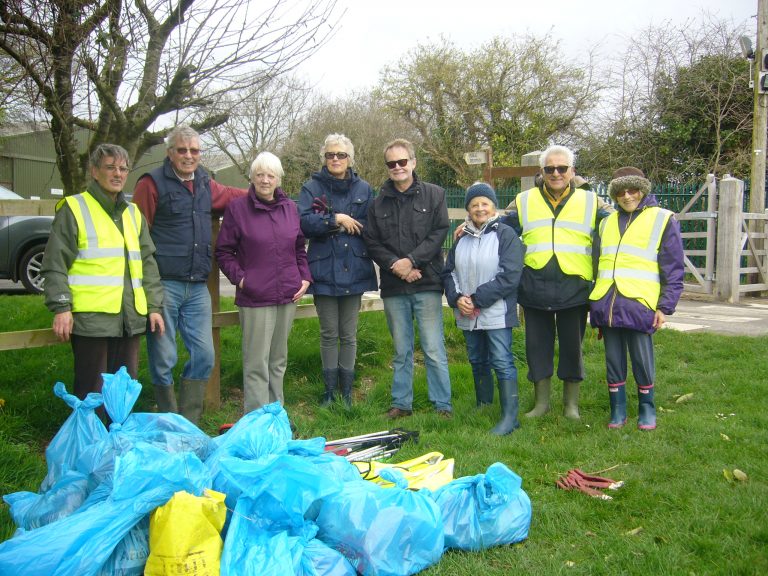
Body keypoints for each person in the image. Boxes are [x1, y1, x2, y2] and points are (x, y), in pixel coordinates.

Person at [133, 125, 246, 424]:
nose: (188, 156)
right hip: (164, 284)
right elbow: (137, 235)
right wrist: (147, 287)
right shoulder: (151, 183)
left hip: (197, 287)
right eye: (182, 150)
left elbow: (235, 196)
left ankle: (189, 424)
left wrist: (267, 192)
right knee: (164, 357)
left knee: (204, 355)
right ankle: (169, 422)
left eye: (194, 150)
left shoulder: (206, 183)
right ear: (170, 153)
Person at [41, 143, 165, 413]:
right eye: (110, 167)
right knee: (92, 394)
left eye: (123, 168)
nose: (118, 173)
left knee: (123, 393)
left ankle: (117, 448)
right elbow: (54, 264)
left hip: (129, 319)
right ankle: (91, 451)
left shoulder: (133, 214)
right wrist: (61, 307)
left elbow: (147, 264)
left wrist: (154, 307)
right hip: (91, 321)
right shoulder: (74, 209)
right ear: (94, 171)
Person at [504, 145, 611, 420]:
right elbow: (499, 227)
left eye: (562, 168)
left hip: (574, 287)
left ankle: (570, 406)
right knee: (536, 347)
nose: (556, 173)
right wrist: (470, 225)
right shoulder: (523, 200)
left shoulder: (592, 201)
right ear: (542, 171)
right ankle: (541, 404)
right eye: (550, 168)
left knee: (572, 348)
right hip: (534, 285)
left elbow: (622, 221)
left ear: (572, 171)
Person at [215, 152, 311, 414]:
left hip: (288, 295)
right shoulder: (237, 209)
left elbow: (299, 247)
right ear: (252, 178)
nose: (265, 180)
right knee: (257, 363)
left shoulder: (290, 209)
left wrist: (304, 277)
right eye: (260, 175)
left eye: (270, 175)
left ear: (279, 179)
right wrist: (243, 280)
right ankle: (256, 419)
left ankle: (276, 415)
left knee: (278, 360)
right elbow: (224, 252)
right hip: (256, 297)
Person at [363, 138, 452, 419]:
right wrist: (395, 266)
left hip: (426, 282)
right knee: (401, 350)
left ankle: (443, 405)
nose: (398, 167)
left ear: (413, 162)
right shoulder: (376, 205)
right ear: (388, 168)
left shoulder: (435, 194)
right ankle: (401, 403)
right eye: (392, 163)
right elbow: (372, 242)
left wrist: (412, 262)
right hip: (393, 286)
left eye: (403, 161)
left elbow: (439, 233)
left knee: (433, 347)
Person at [589, 167, 684, 430]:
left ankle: (646, 408)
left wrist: (664, 307)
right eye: (621, 192)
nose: (627, 196)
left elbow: (673, 268)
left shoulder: (663, 219)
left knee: (642, 359)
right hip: (607, 303)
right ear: (615, 195)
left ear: (642, 190)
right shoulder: (606, 223)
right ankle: (617, 410)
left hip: (640, 304)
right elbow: (597, 264)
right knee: (613, 359)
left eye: (633, 190)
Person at [298, 134, 378, 407]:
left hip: (354, 268)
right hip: (324, 269)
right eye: (330, 155)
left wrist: (336, 224)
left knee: (349, 334)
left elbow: (369, 224)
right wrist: (336, 219)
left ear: (350, 159)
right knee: (328, 333)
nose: (335, 159)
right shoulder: (312, 187)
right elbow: (304, 222)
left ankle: (346, 392)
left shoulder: (364, 189)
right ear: (324, 158)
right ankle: (329, 392)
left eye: (341, 155)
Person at [442, 183, 524, 435]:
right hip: (467, 312)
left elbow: (510, 275)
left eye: (485, 204)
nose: (480, 209)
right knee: (477, 360)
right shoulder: (461, 237)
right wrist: (457, 298)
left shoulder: (505, 234)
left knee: (501, 360)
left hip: (496, 312)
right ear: (468, 208)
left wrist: (476, 299)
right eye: (474, 204)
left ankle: (510, 417)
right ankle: (483, 405)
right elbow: (449, 271)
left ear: (493, 206)